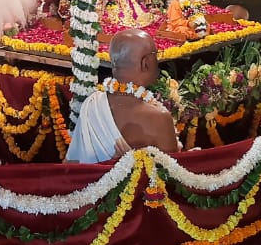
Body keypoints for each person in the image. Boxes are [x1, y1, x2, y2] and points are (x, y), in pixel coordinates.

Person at [66, 29, 181, 163]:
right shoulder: (159, 117)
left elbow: (74, 163)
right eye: (155, 55)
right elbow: (172, 176)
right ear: (145, 63)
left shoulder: (91, 103)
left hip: (88, 183)